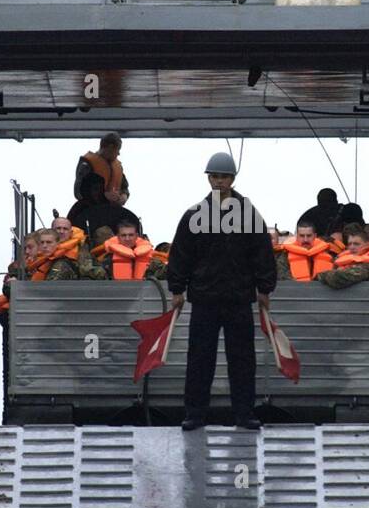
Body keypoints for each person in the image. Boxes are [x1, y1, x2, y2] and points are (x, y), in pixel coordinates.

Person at [166, 152, 277, 431]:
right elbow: (180, 254)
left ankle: (244, 414)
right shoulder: (194, 215)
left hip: (239, 298)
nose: (218, 181)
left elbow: (262, 253)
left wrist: (265, 288)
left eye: (223, 176)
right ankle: (194, 413)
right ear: (209, 178)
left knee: (242, 360)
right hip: (204, 298)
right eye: (214, 176)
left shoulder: (248, 214)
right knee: (199, 359)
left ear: (232, 179)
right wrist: (176, 289)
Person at [315, 224, 369, 289]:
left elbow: (339, 278)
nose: (352, 247)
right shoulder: (344, 262)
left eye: (356, 244)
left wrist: (321, 276)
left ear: (367, 245)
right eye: (350, 244)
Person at [68, 172, 139, 238]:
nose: (98, 192)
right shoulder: (79, 207)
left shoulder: (113, 207)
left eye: (101, 189)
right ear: (88, 190)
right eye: (95, 189)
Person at [74, 132, 129, 206]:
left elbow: (124, 187)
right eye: (117, 149)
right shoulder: (87, 164)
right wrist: (104, 196)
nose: (118, 153)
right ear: (110, 147)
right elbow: (78, 192)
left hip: (113, 212)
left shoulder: (118, 167)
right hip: (91, 211)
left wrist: (124, 195)